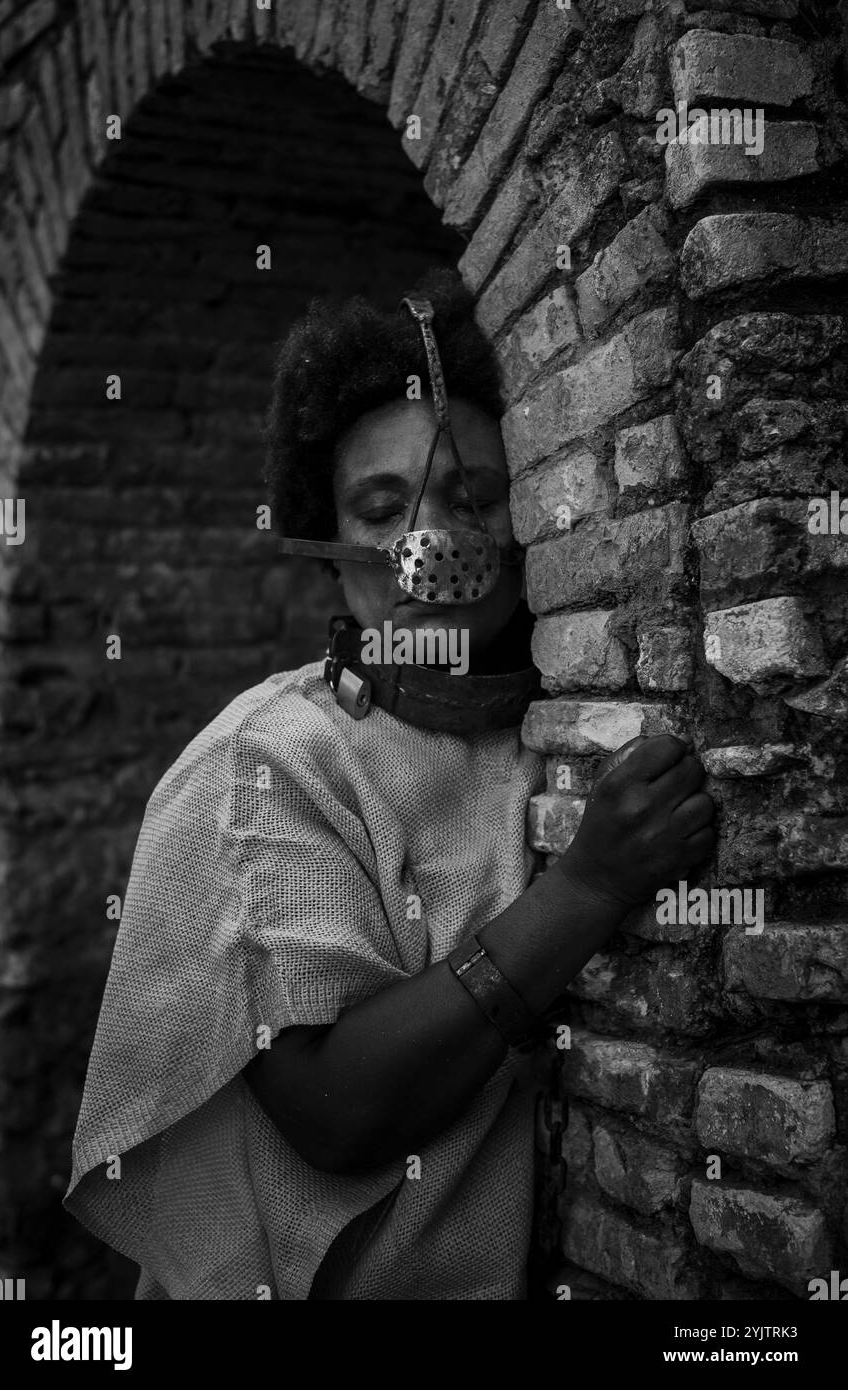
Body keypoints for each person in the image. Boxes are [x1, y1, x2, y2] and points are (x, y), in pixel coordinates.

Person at [63, 266, 716, 1300]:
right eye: (379, 507)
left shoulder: (550, 729)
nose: (432, 543)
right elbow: (336, 1110)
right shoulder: (269, 760)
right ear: (330, 554)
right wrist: (587, 888)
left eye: (473, 496)